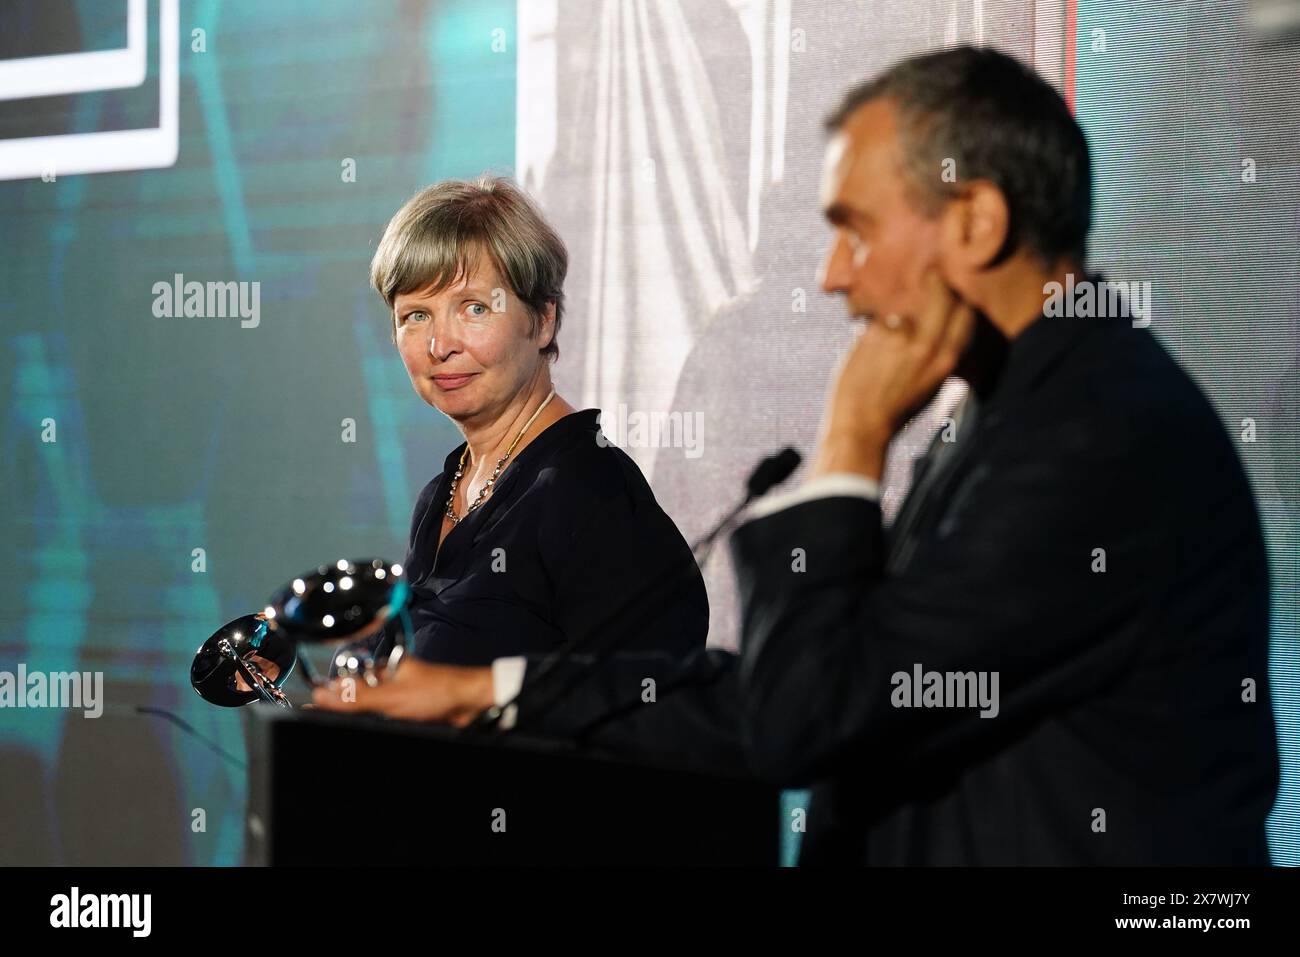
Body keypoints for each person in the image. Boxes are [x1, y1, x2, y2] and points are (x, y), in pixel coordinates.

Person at [316, 48, 1279, 866]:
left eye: (855, 230)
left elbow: (809, 713)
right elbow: (779, 695)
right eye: (415, 315)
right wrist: (488, 689)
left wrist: (852, 441)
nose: (831, 275)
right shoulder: (1028, 410)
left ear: (978, 221)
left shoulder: (1091, 434)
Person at [362, 175, 707, 673]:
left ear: (543, 319)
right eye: (415, 316)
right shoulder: (442, 493)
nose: (440, 345)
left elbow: (649, 702)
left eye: (474, 308)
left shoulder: (588, 490)